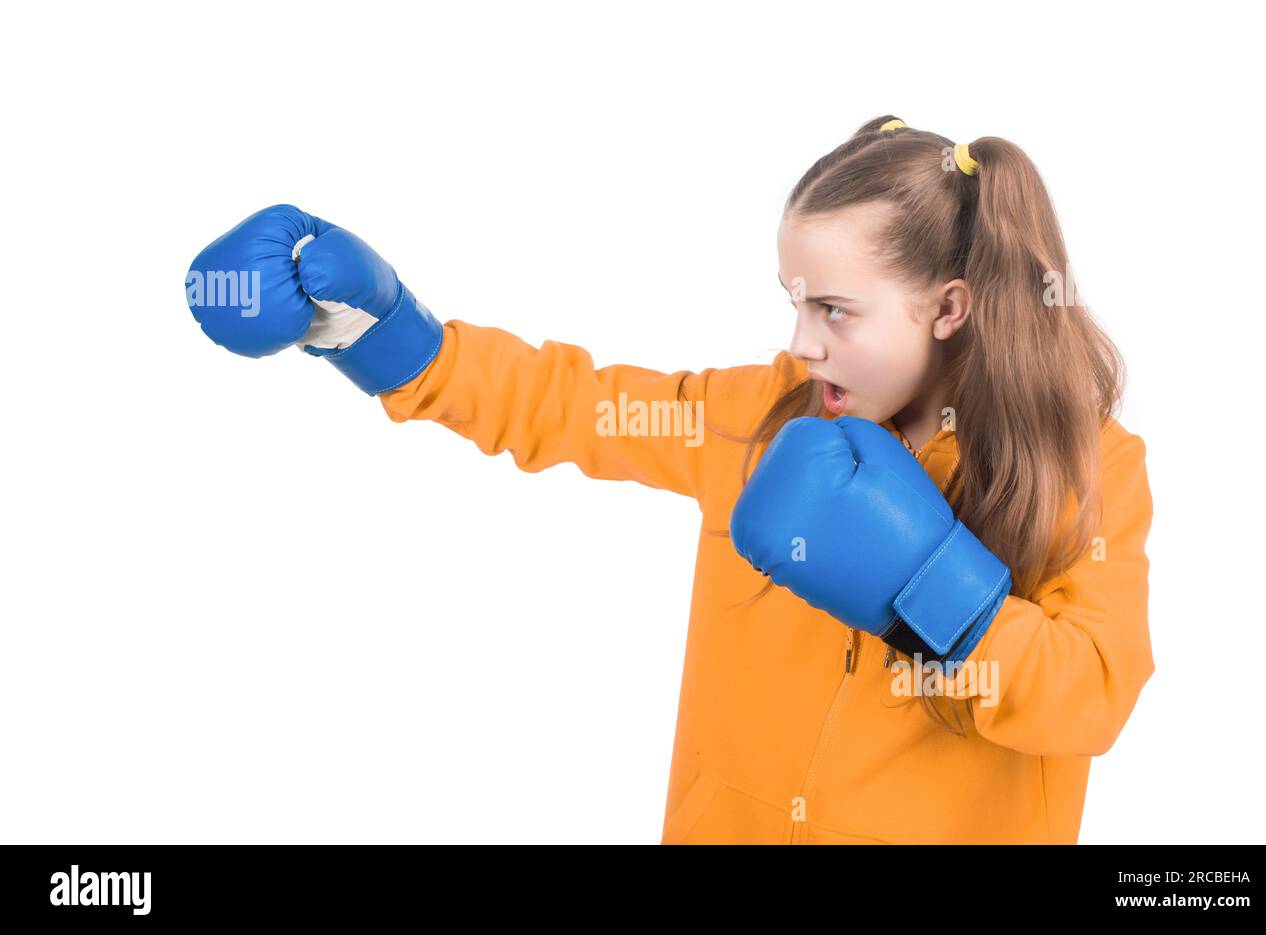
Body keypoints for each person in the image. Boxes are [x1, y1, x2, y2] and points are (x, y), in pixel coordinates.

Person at [185, 115, 1154, 844]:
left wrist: (928, 581)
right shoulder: (766, 414)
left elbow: (1093, 695)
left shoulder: (1085, 469)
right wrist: (386, 334)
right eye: (792, 301)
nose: (801, 339)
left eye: (835, 309)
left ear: (948, 307)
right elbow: (572, 404)